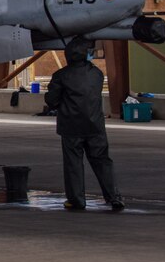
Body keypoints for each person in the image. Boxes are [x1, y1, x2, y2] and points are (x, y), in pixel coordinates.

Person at [45, 37, 123, 211]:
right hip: (95, 125)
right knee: (102, 161)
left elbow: (52, 100)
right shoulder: (97, 74)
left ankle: (76, 200)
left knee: (74, 164)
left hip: (71, 126)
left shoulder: (61, 76)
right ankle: (113, 197)